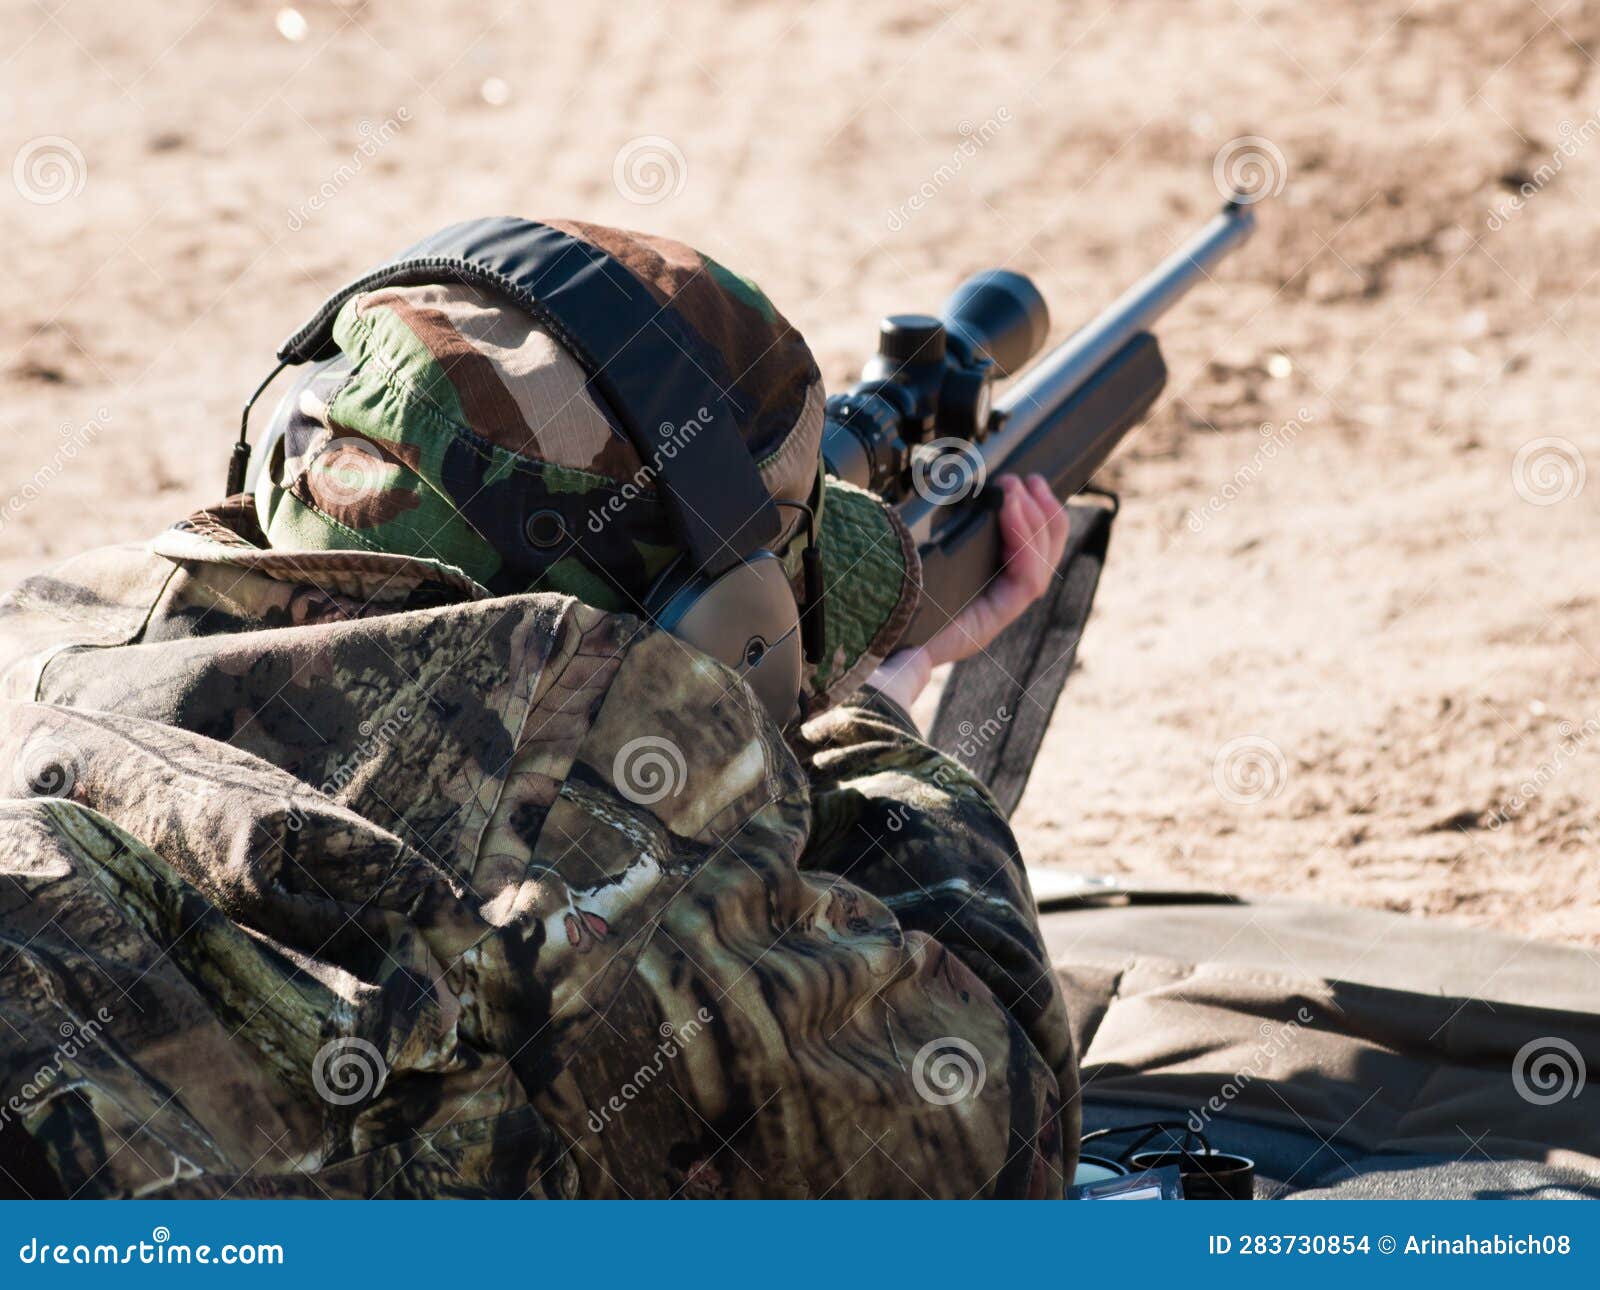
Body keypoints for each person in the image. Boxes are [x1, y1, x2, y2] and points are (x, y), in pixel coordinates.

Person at [0, 218, 1076, 1199]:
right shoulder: (586, 869)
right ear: (727, 624)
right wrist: (864, 730)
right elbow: (1002, 1149)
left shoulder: (50, 635)